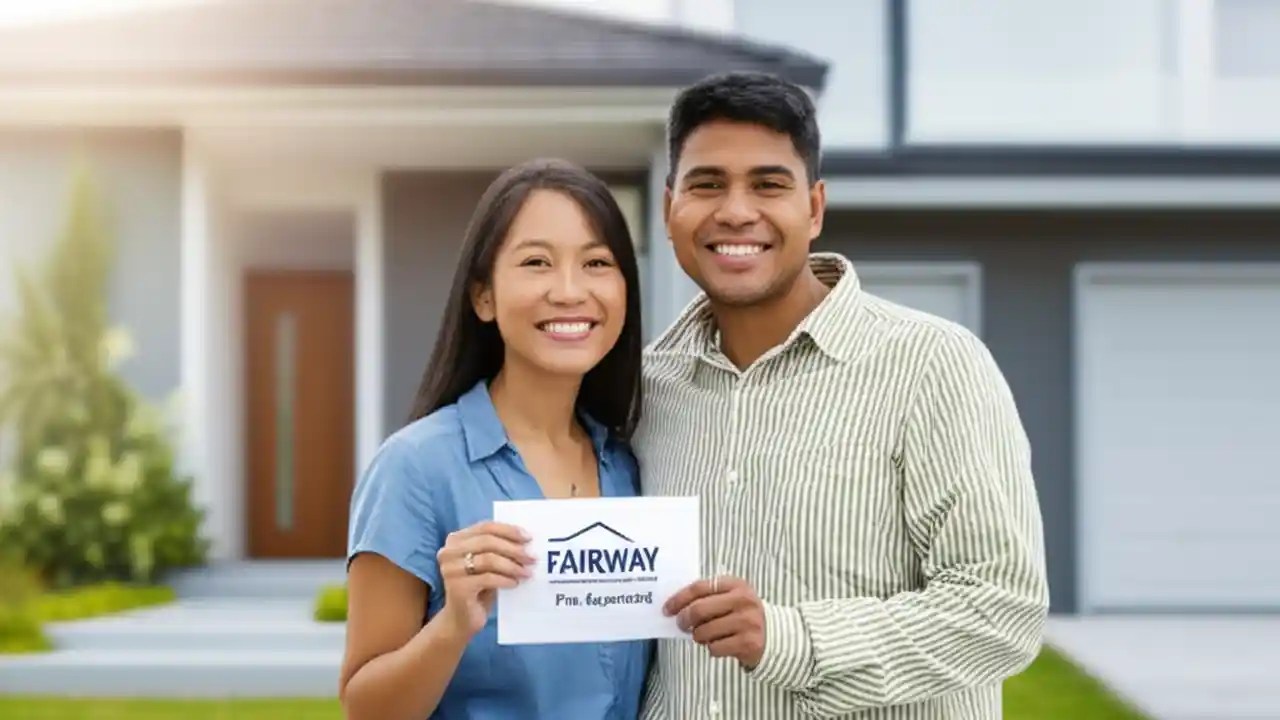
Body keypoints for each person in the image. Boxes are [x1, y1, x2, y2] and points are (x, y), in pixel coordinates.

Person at [633, 72, 1050, 719]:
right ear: (669, 211)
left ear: (815, 207)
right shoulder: (643, 393)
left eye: (768, 184)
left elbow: (1000, 606)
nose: (736, 211)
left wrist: (791, 640)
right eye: (707, 184)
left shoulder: (932, 365)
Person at [339, 158, 649, 720]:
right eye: (537, 262)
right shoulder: (415, 468)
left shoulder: (632, 463)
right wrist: (454, 624)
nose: (570, 291)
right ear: (483, 297)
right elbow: (364, 709)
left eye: (597, 263)